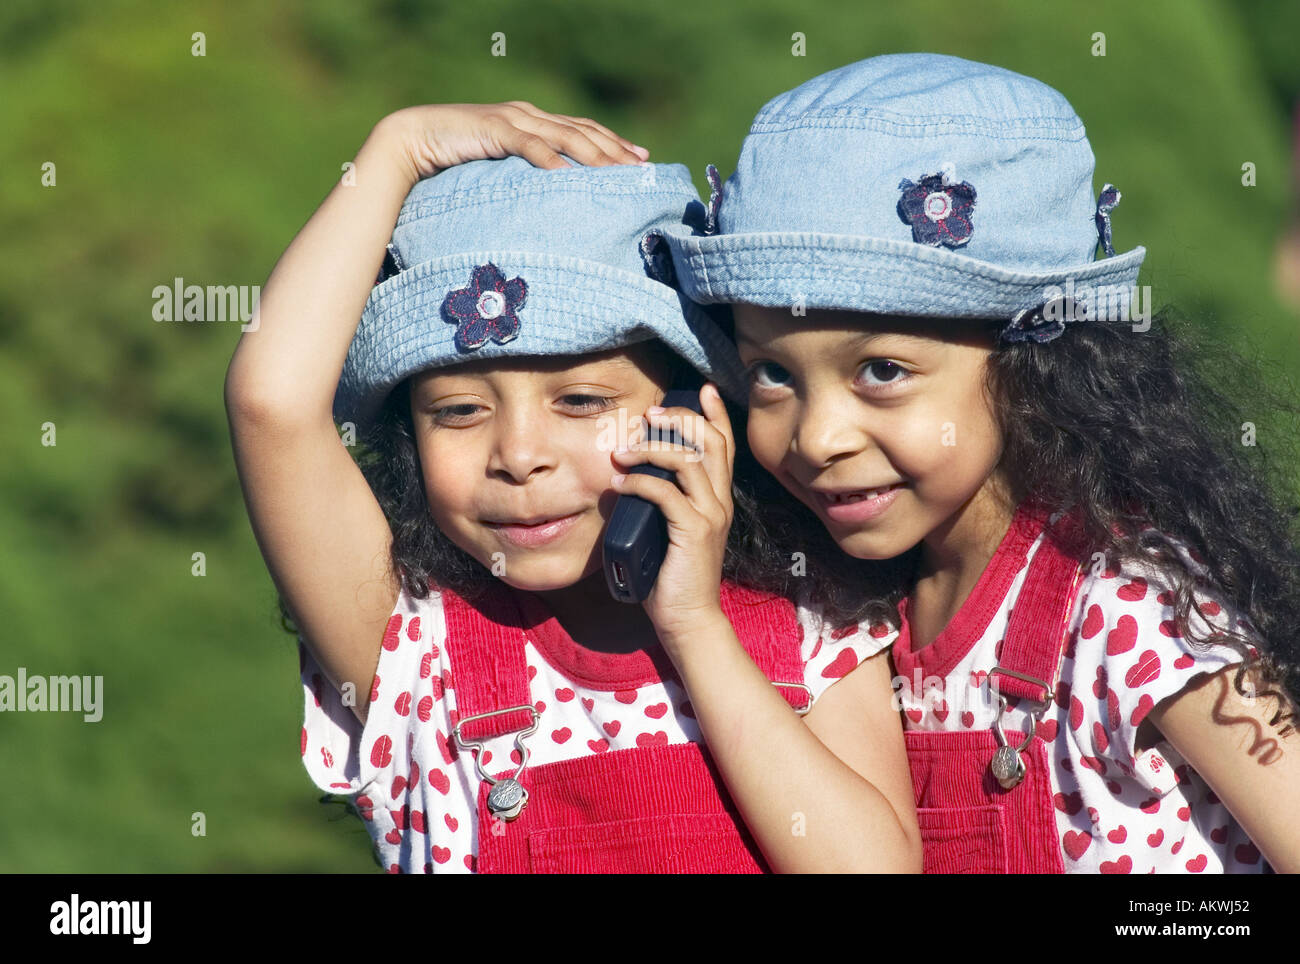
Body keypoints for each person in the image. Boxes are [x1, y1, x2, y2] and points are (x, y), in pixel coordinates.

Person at [224, 103, 921, 873]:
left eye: (582, 402)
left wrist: (693, 626)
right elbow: (272, 407)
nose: (519, 457)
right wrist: (396, 148)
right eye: (459, 411)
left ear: (696, 414)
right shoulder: (414, 655)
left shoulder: (809, 624)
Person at [658, 54, 1300, 873]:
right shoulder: (840, 618)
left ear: (1035, 362)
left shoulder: (1132, 604)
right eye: (772, 374)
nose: (817, 438)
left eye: (881, 372)